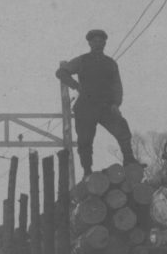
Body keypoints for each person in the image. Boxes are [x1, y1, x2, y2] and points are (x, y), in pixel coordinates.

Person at [56, 28, 137, 176]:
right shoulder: (82, 60)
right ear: (89, 43)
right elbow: (61, 72)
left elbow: (117, 85)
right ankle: (87, 171)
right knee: (85, 140)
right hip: (86, 106)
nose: (98, 43)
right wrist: (76, 86)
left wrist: (116, 104)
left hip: (106, 106)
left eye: (101, 41)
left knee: (122, 129)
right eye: (95, 41)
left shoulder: (110, 63)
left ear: (105, 43)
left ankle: (129, 161)